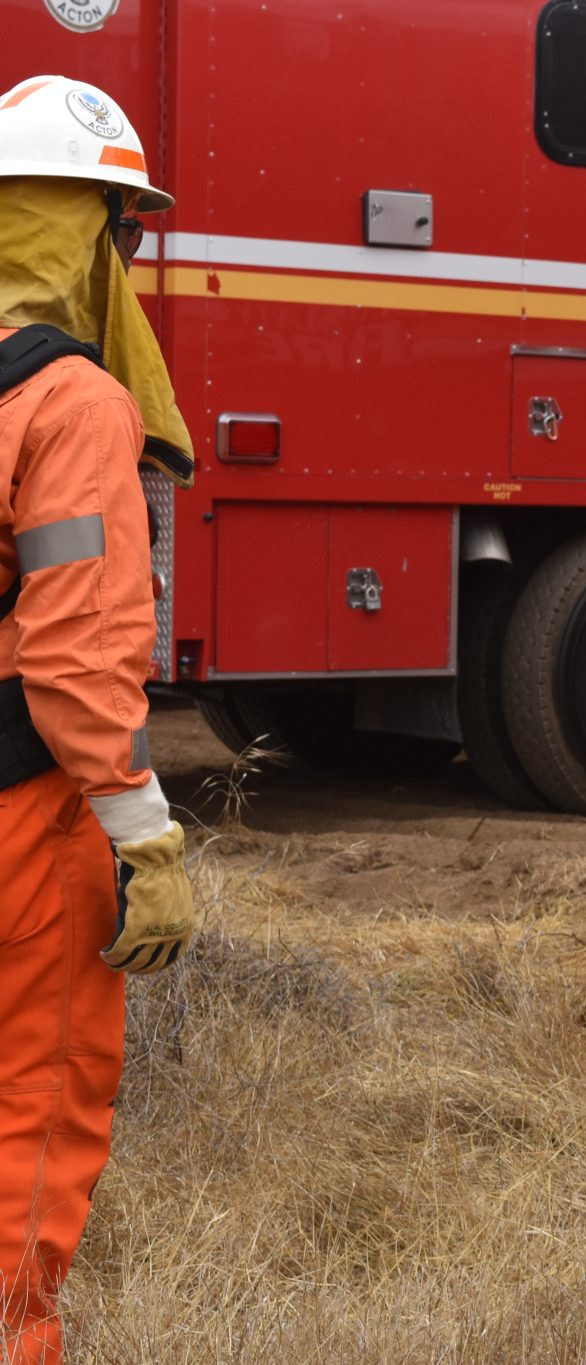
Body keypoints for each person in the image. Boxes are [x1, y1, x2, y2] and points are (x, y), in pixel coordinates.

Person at [0, 75, 199, 1361]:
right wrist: (146, 836)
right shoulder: (72, 402)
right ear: (87, 233)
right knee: (37, 1098)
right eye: (120, 227)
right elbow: (74, 661)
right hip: (29, 811)